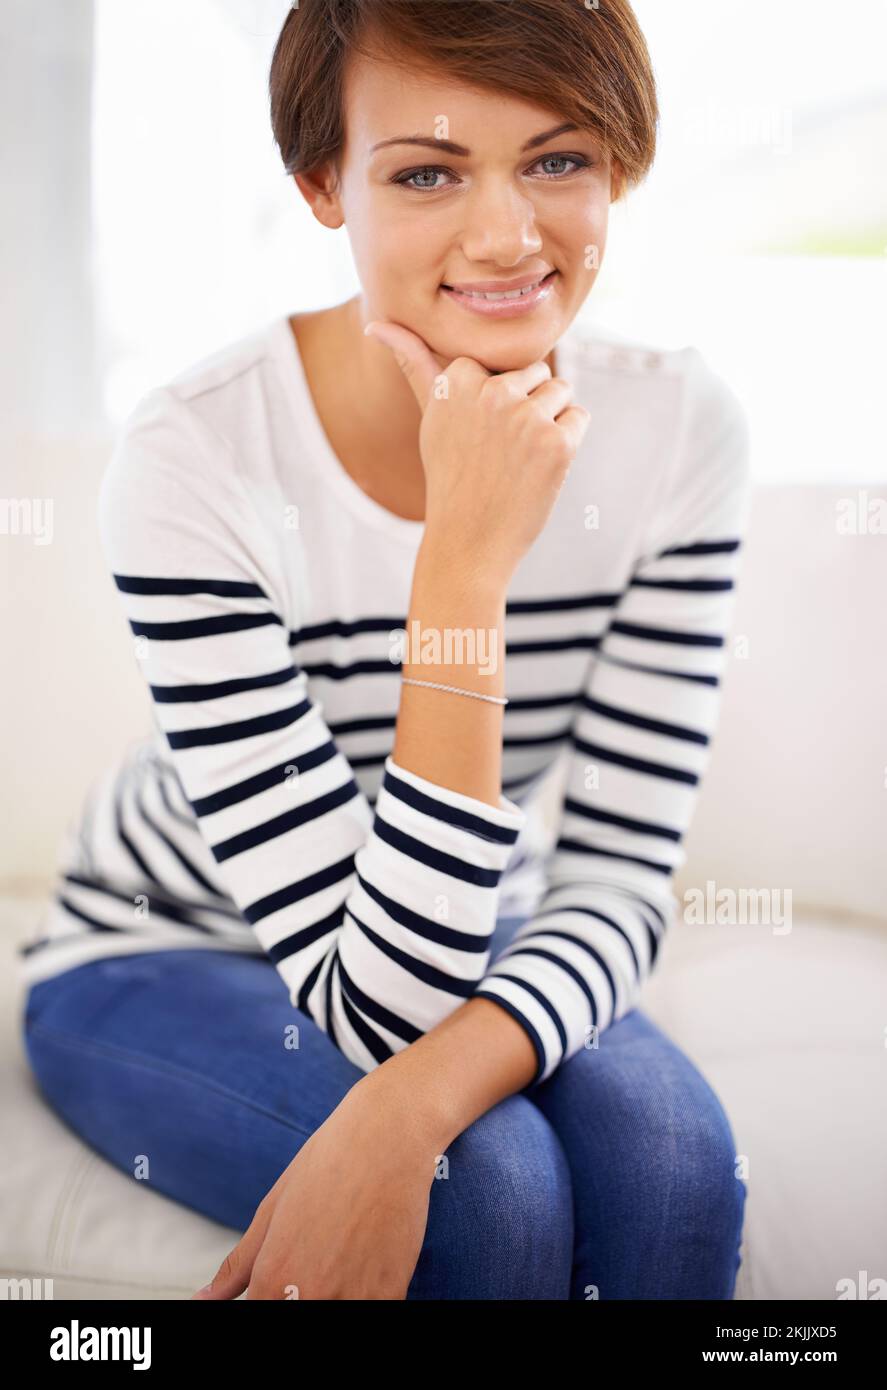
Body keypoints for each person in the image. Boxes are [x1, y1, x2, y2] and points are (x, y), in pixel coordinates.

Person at [21, 0, 750, 1299]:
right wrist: (462, 562)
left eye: (558, 159)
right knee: (497, 1201)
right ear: (320, 182)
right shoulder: (195, 460)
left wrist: (407, 1107)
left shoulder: (678, 428)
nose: (508, 235)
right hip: (168, 943)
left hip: (475, 916)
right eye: (426, 172)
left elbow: (624, 875)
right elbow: (378, 1010)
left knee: (674, 1179)